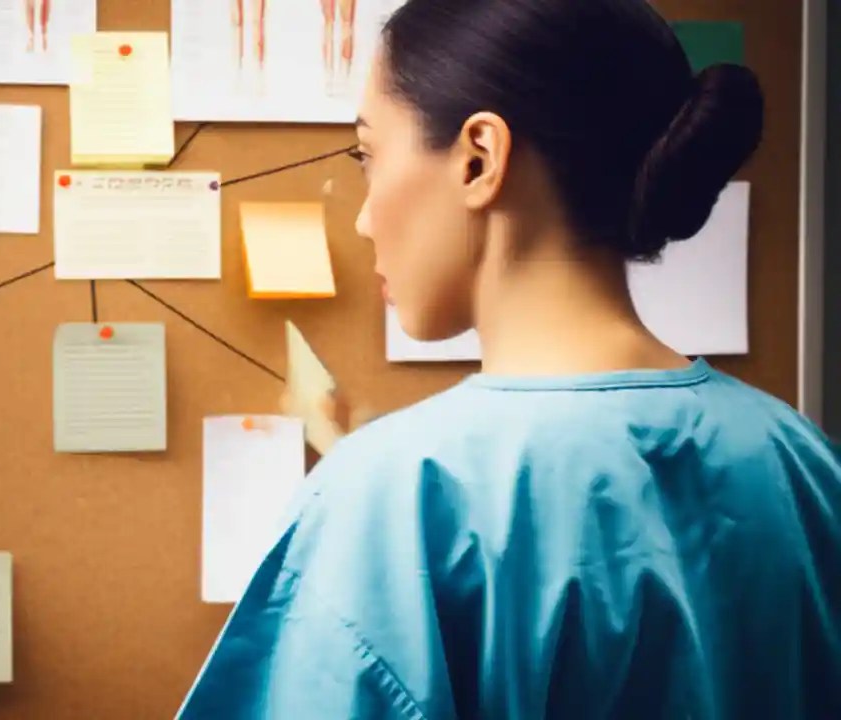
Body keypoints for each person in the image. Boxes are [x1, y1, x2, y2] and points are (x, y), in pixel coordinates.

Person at [176, 0, 841, 718]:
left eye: (367, 156)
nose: (365, 217)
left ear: (478, 159)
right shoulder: (805, 464)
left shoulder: (390, 499)